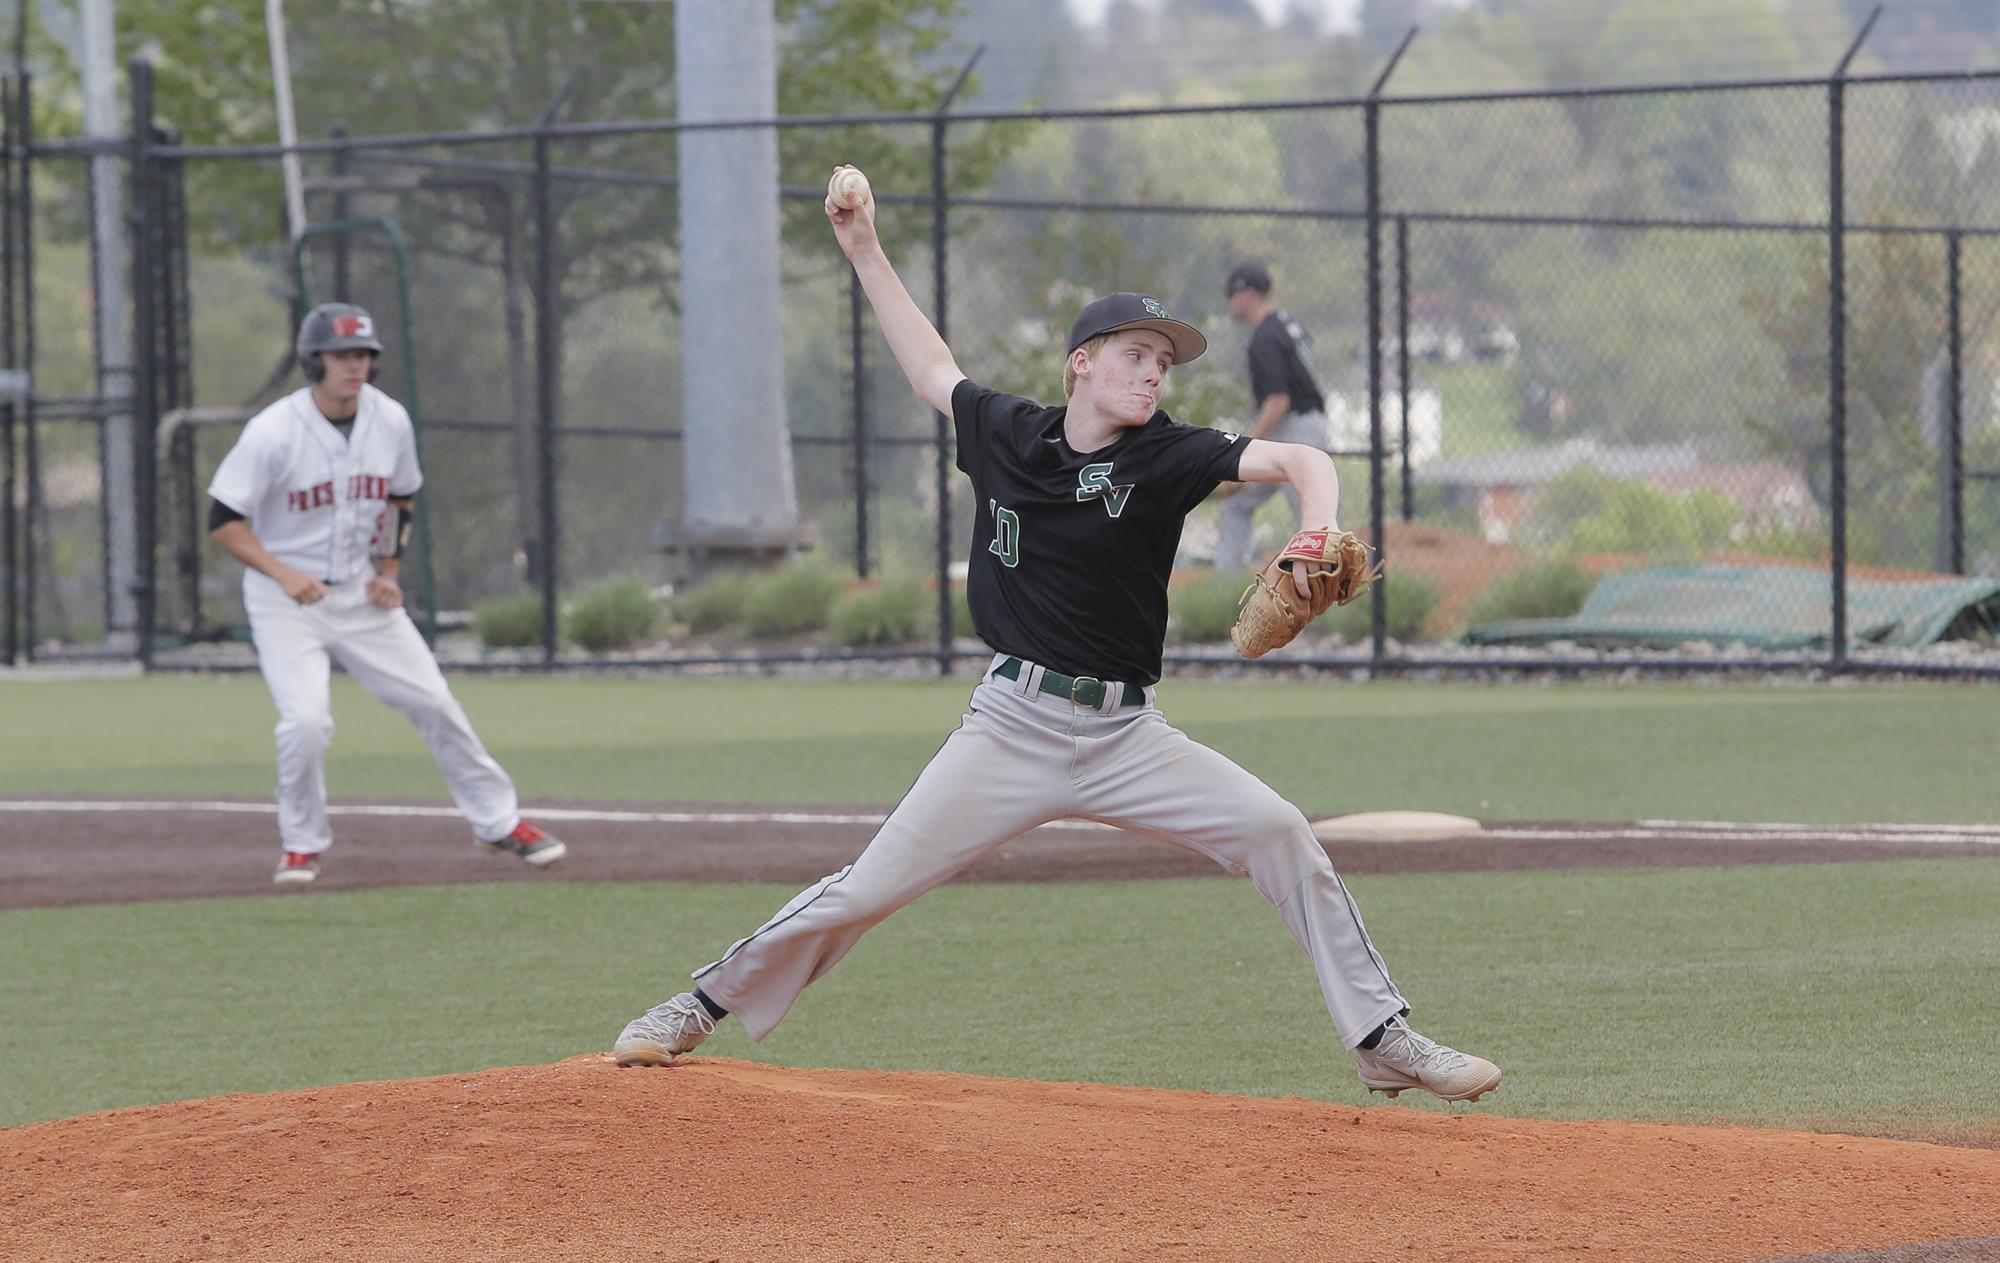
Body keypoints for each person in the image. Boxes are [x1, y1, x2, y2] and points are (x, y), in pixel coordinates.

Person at [611, 168, 1499, 1104]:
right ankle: (696, 1005)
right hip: (1010, 726)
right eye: (1136, 354)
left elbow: (1301, 456)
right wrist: (864, 247)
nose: (1154, 372)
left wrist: (1317, 527)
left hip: (1128, 736)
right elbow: (930, 369)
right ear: (1082, 362)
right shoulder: (1011, 434)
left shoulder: (1167, 453)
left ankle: (1381, 1036)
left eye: (1164, 361)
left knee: (1279, 830)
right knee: (868, 887)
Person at [207, 302, 567, 884]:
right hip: (285, 601)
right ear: (314, 361)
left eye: (363, 355)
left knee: (434, 702)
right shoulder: (273, 431)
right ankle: (301, 845)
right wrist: (282, 573)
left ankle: (498, 822)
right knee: (306, 723)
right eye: (341, 355)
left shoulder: (390, 420)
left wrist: (389, 571)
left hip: (359, 592)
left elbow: (400, 499)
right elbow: (223, 520)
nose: (354, 366)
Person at [1213, 262, 1331, 571]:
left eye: (1232, 293)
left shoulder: (1264, 336)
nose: (1229, 301)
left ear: (1250, 294)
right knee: (1236, 502)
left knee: (1311, 516)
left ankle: (1324, 590)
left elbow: (1278, 400)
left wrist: (1246, 448)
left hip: (1295, 431)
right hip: (1302, 426)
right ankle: (1225, 587)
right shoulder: (1284, 323)